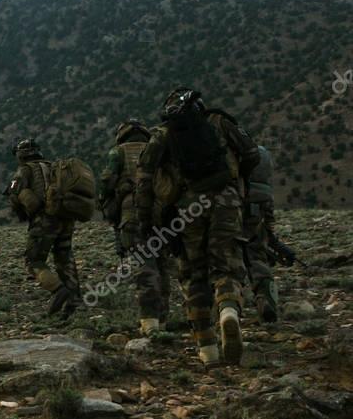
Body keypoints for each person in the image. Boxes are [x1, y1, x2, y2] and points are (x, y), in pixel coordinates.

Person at [135, 89, 259, 366]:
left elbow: (143, 178)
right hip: (226, 199)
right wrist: (239, 184)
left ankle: (208, 348)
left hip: (188, 208)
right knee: (225, 263)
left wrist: (146, 219)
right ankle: (228, 311)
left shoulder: (162, 134)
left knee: (193, 273)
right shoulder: (219, 122)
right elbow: (252, 154)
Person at [100, 119, 172, 335]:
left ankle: (149, 321)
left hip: (132, 213)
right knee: (162, 266)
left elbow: (107, 182)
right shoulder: (159, 150)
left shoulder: (118, 153)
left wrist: (108, 204)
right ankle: (163, 321)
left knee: (144, 265)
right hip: (163, 214)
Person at [5, 138, 82, 318]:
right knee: (64, 256)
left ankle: (58, 290)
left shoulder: (25, 170)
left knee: (34, 261)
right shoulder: (55, 167)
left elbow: (16, 194)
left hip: (44, 220)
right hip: (66, 219)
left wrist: (24, 212)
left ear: (20, 155)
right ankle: (74, 299)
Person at [242, 145, 279, 323]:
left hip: (236, 200)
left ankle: (229, 306)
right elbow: (269, 218)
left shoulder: (238, 152)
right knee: (257, 256)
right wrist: (270, 236)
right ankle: (266, 300)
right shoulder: (263, 153)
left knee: (227, 259)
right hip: (261, 200)